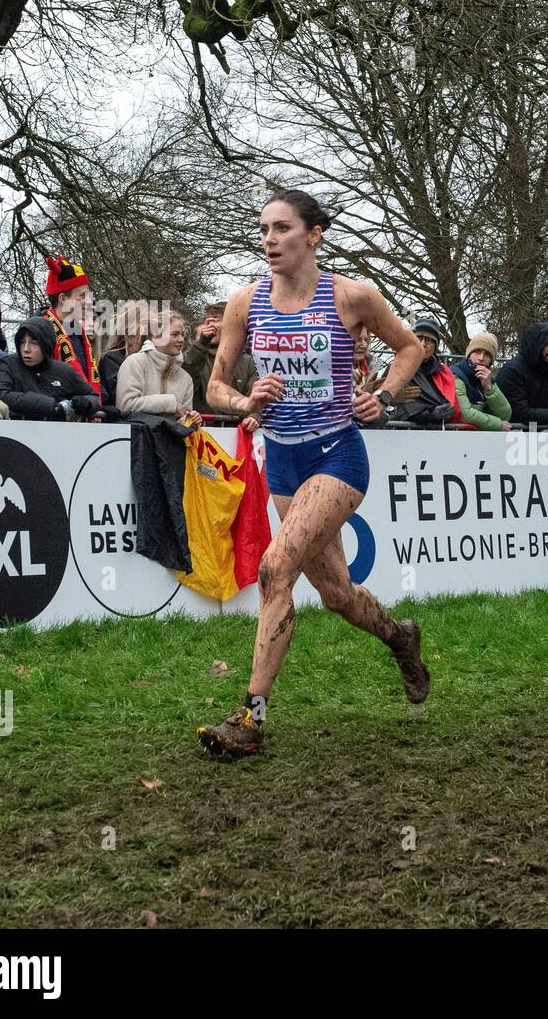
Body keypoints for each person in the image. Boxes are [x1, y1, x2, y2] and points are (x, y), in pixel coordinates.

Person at [198, 189, 429, 758]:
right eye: (263, 230)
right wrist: (245, 401)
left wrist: (383, 396)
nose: (269, 241)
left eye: (281, 229)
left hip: (337, 456)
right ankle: (400, 638)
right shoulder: (245, 303)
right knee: (336, 594)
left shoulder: (352, 296)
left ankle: (249, 719)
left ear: (313, 235)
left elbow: (409, 349)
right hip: (282, 459)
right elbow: (215, 387)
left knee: (275, 568)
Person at [0, 316, 100, 420]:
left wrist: (86, 403)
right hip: (14, 434)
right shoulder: (8, 364)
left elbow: (94, 397)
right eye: (22, 342)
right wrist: (52, 405)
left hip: (55, 436)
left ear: (46, 344)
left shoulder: (64, 370)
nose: (26, 349)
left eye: (34, 342)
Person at [114, 303, 201, 423]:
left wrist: (190, 419)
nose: (181, 340)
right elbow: (125, 404)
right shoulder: (135, 363)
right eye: (175, 334)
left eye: (182, 335)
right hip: (138, 438)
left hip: (169, 441)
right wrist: (170, 403)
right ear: (155, 336)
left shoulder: (186, 378)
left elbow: (182, 421)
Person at [184, 300, 258, 415]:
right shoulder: (197, 355)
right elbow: (185, 375)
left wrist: (254, 416)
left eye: (217, 320)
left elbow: (256, 396)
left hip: (238, 429)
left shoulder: (248, 361)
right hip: (202, 427)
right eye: (207, 321)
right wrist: (203, 342)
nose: (211, 325)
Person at [496, 317, 548, 428]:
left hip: (540, 437)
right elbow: (520, 413)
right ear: (536, 344)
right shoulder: (512, 371)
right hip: (511, 437)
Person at [42, 254, 100, 395]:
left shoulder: (79, 332)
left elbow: (90, 376)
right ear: (63, 298)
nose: (88, 301)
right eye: (82, 296)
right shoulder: (40, 332)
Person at [384, 316, 458, 425]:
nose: (423, 344)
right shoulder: (397, 367)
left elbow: (452, 405)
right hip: (403, 432)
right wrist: (430, 414)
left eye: (428, 340)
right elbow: (393, 406)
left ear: (435, 346)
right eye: (419, 338)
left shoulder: (444, 373)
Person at [451, 332, 512, 431]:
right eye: (477, 352)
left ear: (491, 361)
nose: (481, 358)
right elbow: (465, 414)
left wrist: (489, 388)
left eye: (487, 354)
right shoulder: (456, 375)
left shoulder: (487, 379)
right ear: (469, 353)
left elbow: (505, 414)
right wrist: (498, 424)